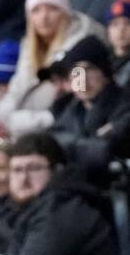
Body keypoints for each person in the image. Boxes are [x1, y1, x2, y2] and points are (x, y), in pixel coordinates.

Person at [0, 0, 106, 139]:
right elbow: (16, 90)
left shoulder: (84, 47)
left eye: (52, 8)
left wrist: (12, 124)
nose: (44, 17)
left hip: (60, 130)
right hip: (23, 126)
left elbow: (75, 105)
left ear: (65, 12)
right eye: (36, 10)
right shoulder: (29, 47)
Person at [47, 36, 130, 184]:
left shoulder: (124, 104)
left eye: (88, 69)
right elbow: (52, 142)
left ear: (104, 73)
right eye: (75, 72)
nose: (82, 80)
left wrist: (71, 148)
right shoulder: (67, 110)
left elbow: (107, 150)